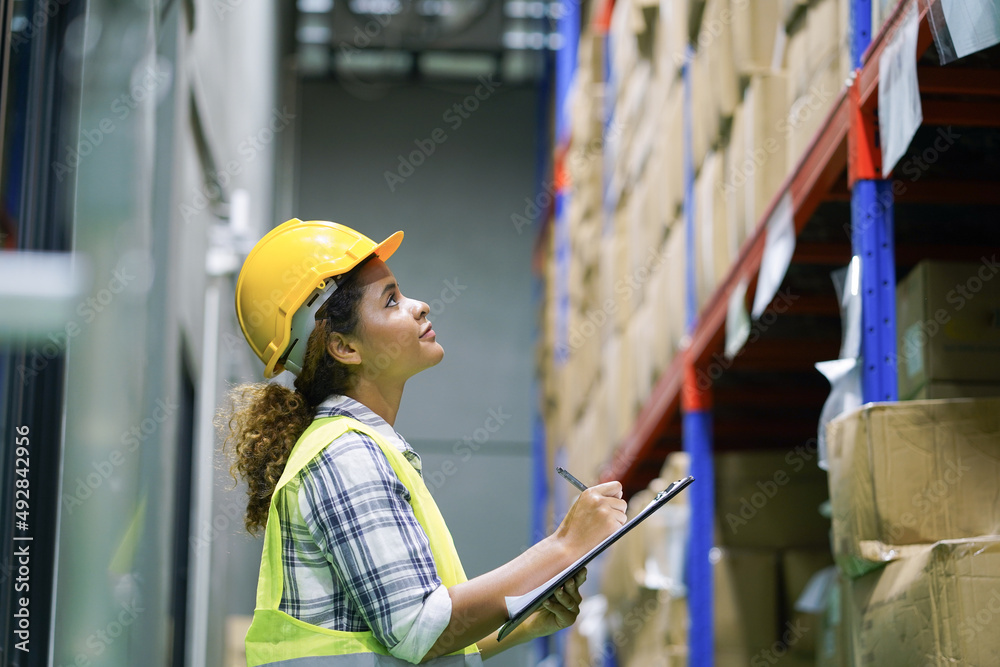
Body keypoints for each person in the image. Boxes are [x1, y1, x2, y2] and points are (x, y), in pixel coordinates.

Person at [219, 218, 627, 666]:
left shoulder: (361, 448)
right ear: (344, 347)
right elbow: (419, 629)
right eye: (391, 300)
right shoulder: (346, 455)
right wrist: (564, 545)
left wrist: (524, 622)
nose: (420, 306)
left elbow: (405, 644)